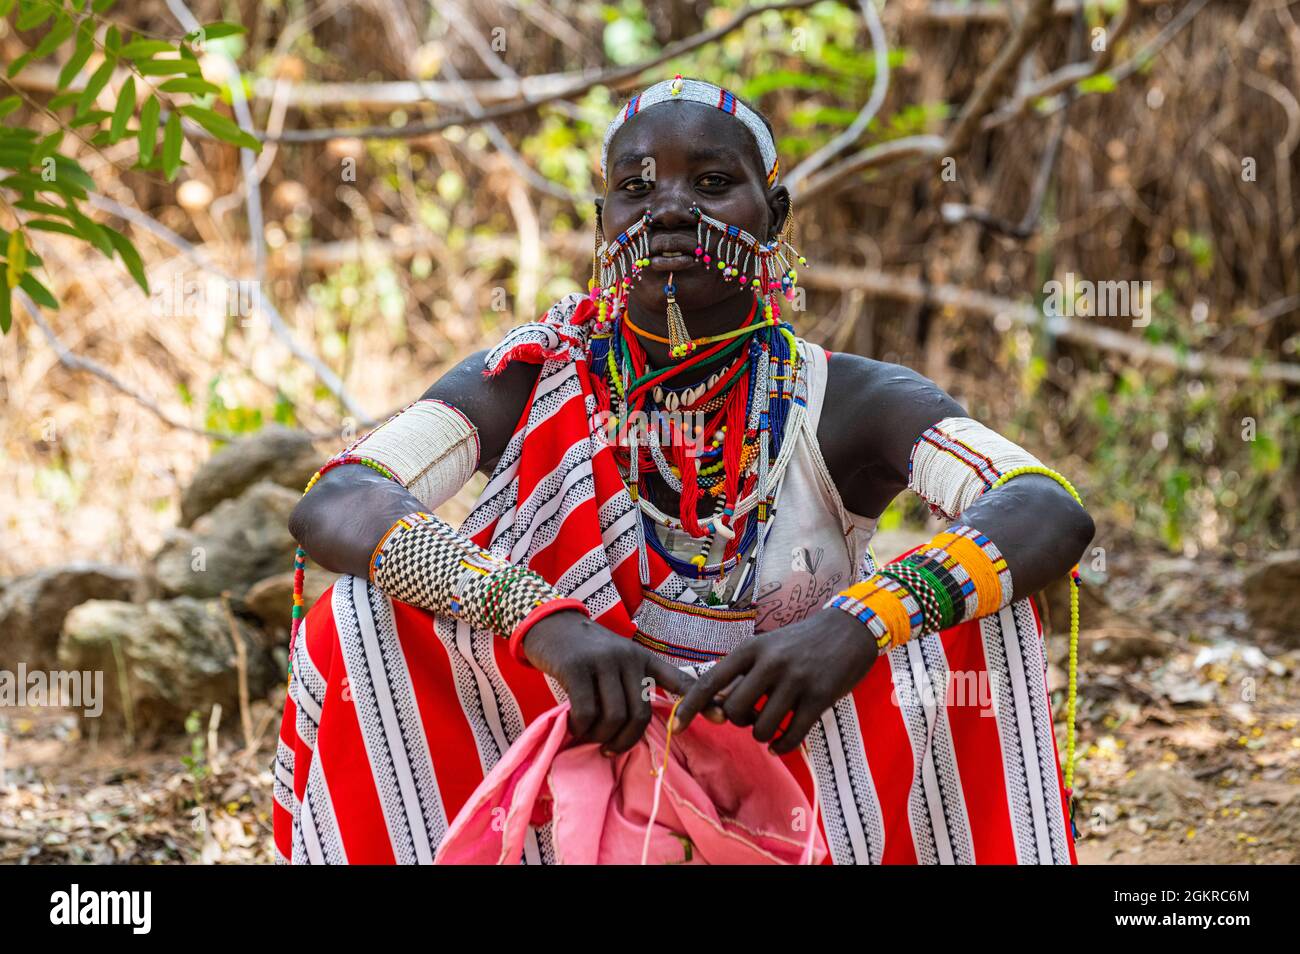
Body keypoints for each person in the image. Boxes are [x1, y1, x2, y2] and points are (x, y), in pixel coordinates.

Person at [274, 75, 1094, 865]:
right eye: (635, 188)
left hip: (788, 742)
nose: (670, 208)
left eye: (710, 180)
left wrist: (858, 622)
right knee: (360, 614)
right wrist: (543, 622)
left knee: (981, 614)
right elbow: (340, 497)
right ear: (603, 223)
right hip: (574, 729)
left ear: (771, 216)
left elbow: (1044, 507)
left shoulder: (846, 399)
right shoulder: (530, 375)